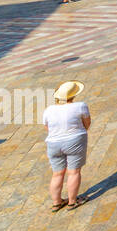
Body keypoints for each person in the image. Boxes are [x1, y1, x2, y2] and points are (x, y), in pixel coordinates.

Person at [43, 80, 91, 211]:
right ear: (74, 94)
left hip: (53, 143)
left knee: (57, 174)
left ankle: (57, 202)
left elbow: (47, 128)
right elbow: (87, 123)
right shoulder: (80, 106)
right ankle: (72, 201)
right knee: (74, 172)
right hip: (74, 140)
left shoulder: (49, 110)